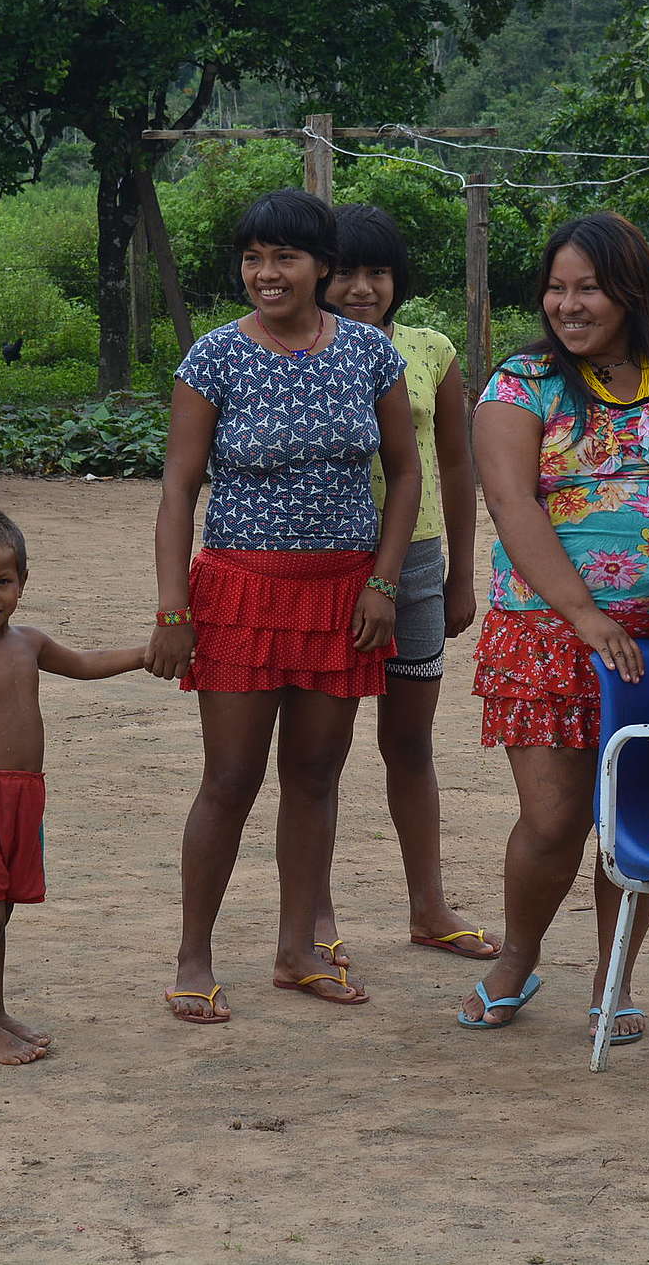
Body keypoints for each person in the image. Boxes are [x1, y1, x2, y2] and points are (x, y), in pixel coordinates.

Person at [460, 211, 649, 1043]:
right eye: (556, 286)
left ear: (632, 290)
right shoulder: (521, 384)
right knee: (553, 820)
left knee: (635, 818)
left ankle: (614, 976)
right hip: (547, 633)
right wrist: (584, 616)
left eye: (588, 287)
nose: (568, 304)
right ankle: (516, 958)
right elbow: (513, 505)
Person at [146, 189, 421, 1023]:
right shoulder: (214, 357)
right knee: (229, 778)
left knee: (315, 774)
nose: (267, 274)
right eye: (254, 257)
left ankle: (298, 948)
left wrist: (382, 582)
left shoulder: (371, 354)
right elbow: (178, 488)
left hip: (344, 595)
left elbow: (407, 473)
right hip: (238, 592)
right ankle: (195, 955)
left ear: (321, 266)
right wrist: (172, 609)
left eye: (286, 258)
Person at [311, 204, 496, 965]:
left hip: (416, 566)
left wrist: (459, 571)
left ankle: (429, 906)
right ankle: (314, 915)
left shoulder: (431, 350)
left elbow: (455, 463)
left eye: (376, 272)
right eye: (346, 272)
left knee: (409, 744)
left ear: (398, 280)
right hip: (328, 565)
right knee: (318, 753)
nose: (361, 288)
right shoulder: (299, 347)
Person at [0, 507, 147, 1064]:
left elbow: (87, 664)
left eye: (2, 581)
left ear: (23, 579)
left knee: (3, 913)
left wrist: (145, 655)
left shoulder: (30, 643)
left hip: (23, 793)